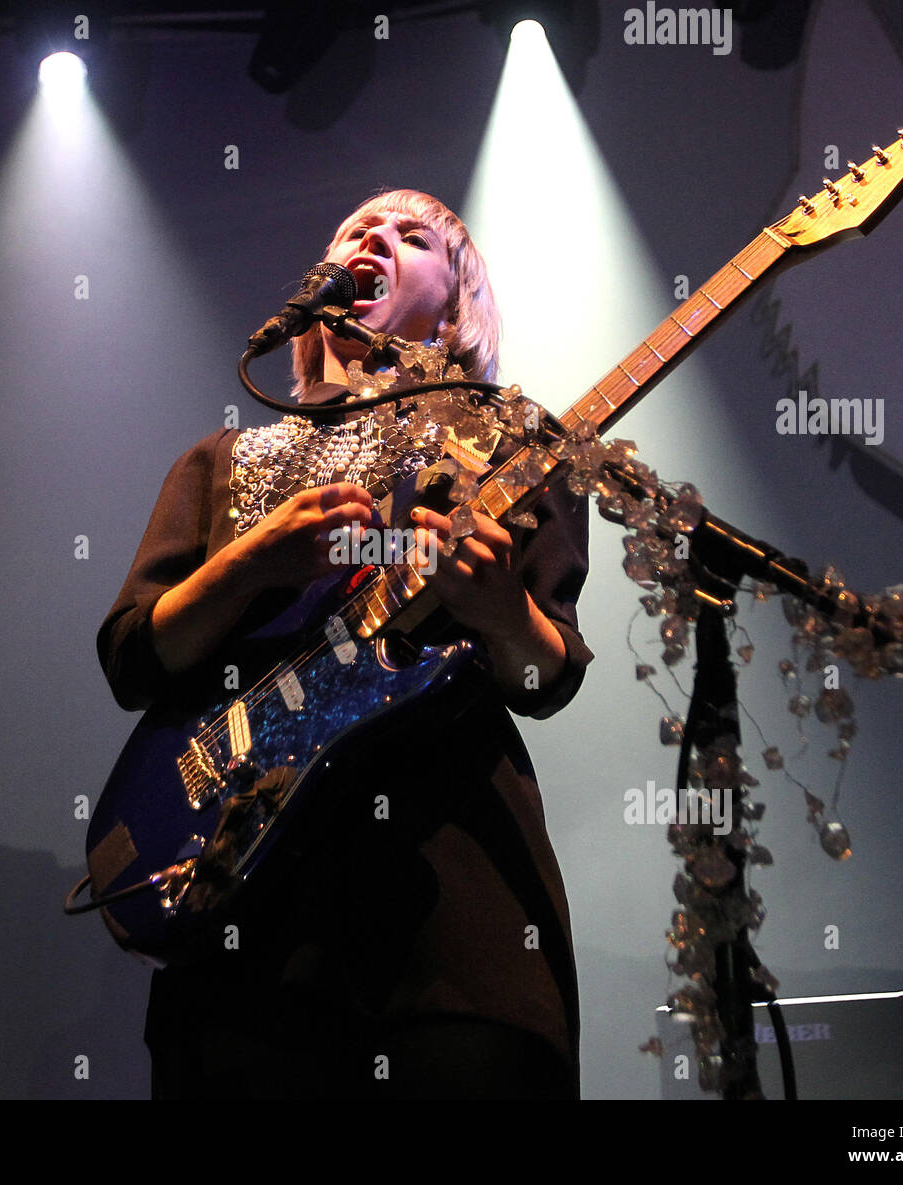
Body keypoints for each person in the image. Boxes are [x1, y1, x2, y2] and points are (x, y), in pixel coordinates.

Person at [97, 189, 594, 1099]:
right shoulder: (222, 462)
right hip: (243, 938)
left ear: (455, 304)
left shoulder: (514, 438)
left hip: (449, 917)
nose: (376, 240)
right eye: (357, 230)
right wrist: (248, 566)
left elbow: (548, 672)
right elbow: (135, 656)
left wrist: (495, 612)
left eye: (414, 237)